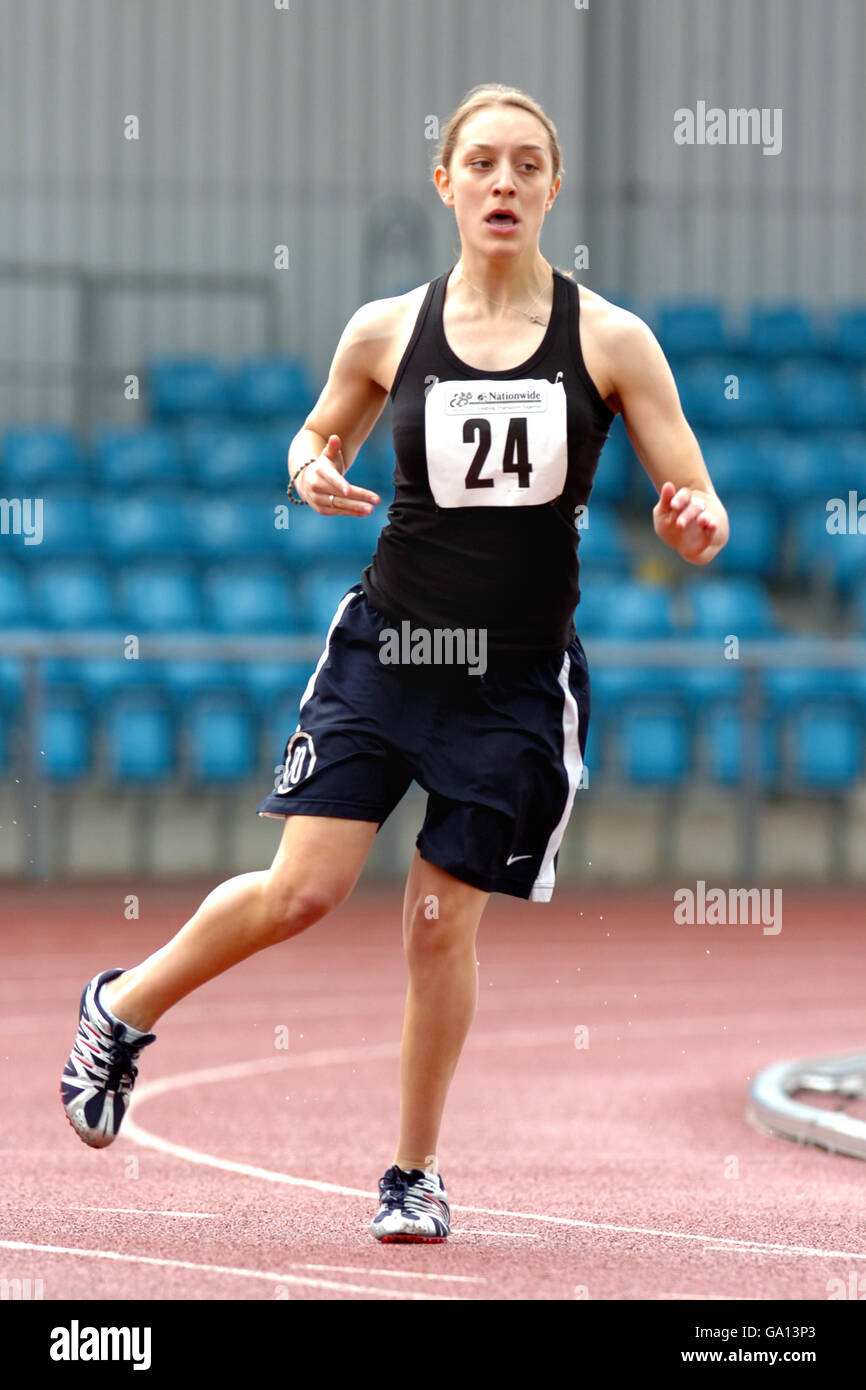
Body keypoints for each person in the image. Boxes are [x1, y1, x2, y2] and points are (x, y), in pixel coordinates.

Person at [61, 82, 729, 1244]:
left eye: (526, 164)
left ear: (552, 186)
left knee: (435, 925)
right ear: (446, 183)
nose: (504, 183)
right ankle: (120, 1008)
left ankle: (411, 1170)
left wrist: (693, 524)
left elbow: (694, 494)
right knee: (302, 892)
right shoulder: (385, 327)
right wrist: (309, 468)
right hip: (391, 650)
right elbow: (316, 435)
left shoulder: (609, 339)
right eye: (481, 163)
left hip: (513, 682)